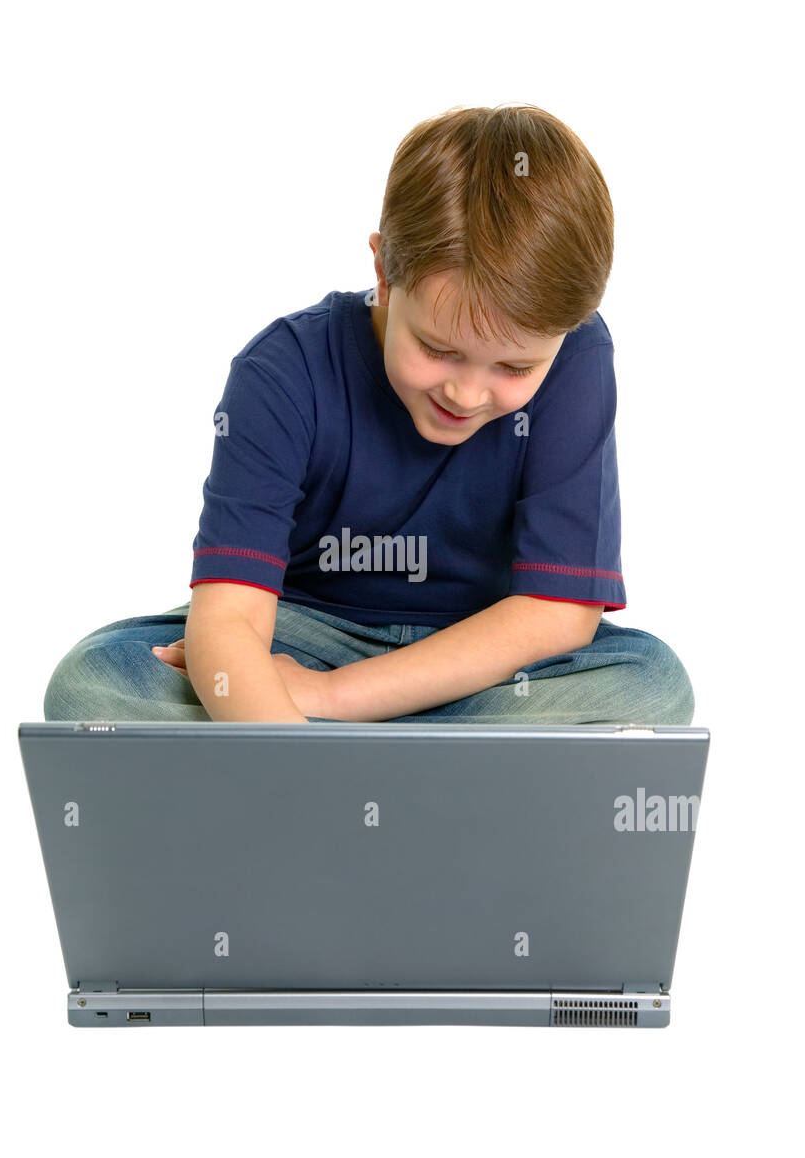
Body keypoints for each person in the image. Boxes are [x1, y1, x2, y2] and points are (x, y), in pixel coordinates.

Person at [43, 103, 695, 726]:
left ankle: (354, 745)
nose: (468, 394)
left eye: (514, 369)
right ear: (384, 271)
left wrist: (331, 697)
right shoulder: (282, 371)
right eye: (438, 350)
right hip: (301, 634)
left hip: (487, 657)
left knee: (653, 687)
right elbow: (231, 622)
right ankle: (398, 765)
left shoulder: (579, 355)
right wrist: (272, 718)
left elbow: (556, 618)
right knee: (96, 682)